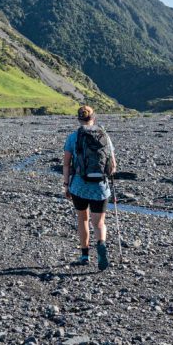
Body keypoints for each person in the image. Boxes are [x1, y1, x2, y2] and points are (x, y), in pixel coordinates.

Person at [62, 104, 117, 269]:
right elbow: (113, 166)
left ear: (79, 119)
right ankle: (101, 244)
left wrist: (66, 185)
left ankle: (85, 255)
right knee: (99, 222)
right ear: (94, 117)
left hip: (79, 186)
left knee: (83, 219)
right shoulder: (104, 136)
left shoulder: (73, 137)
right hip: (100, 187)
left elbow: (66, 164)